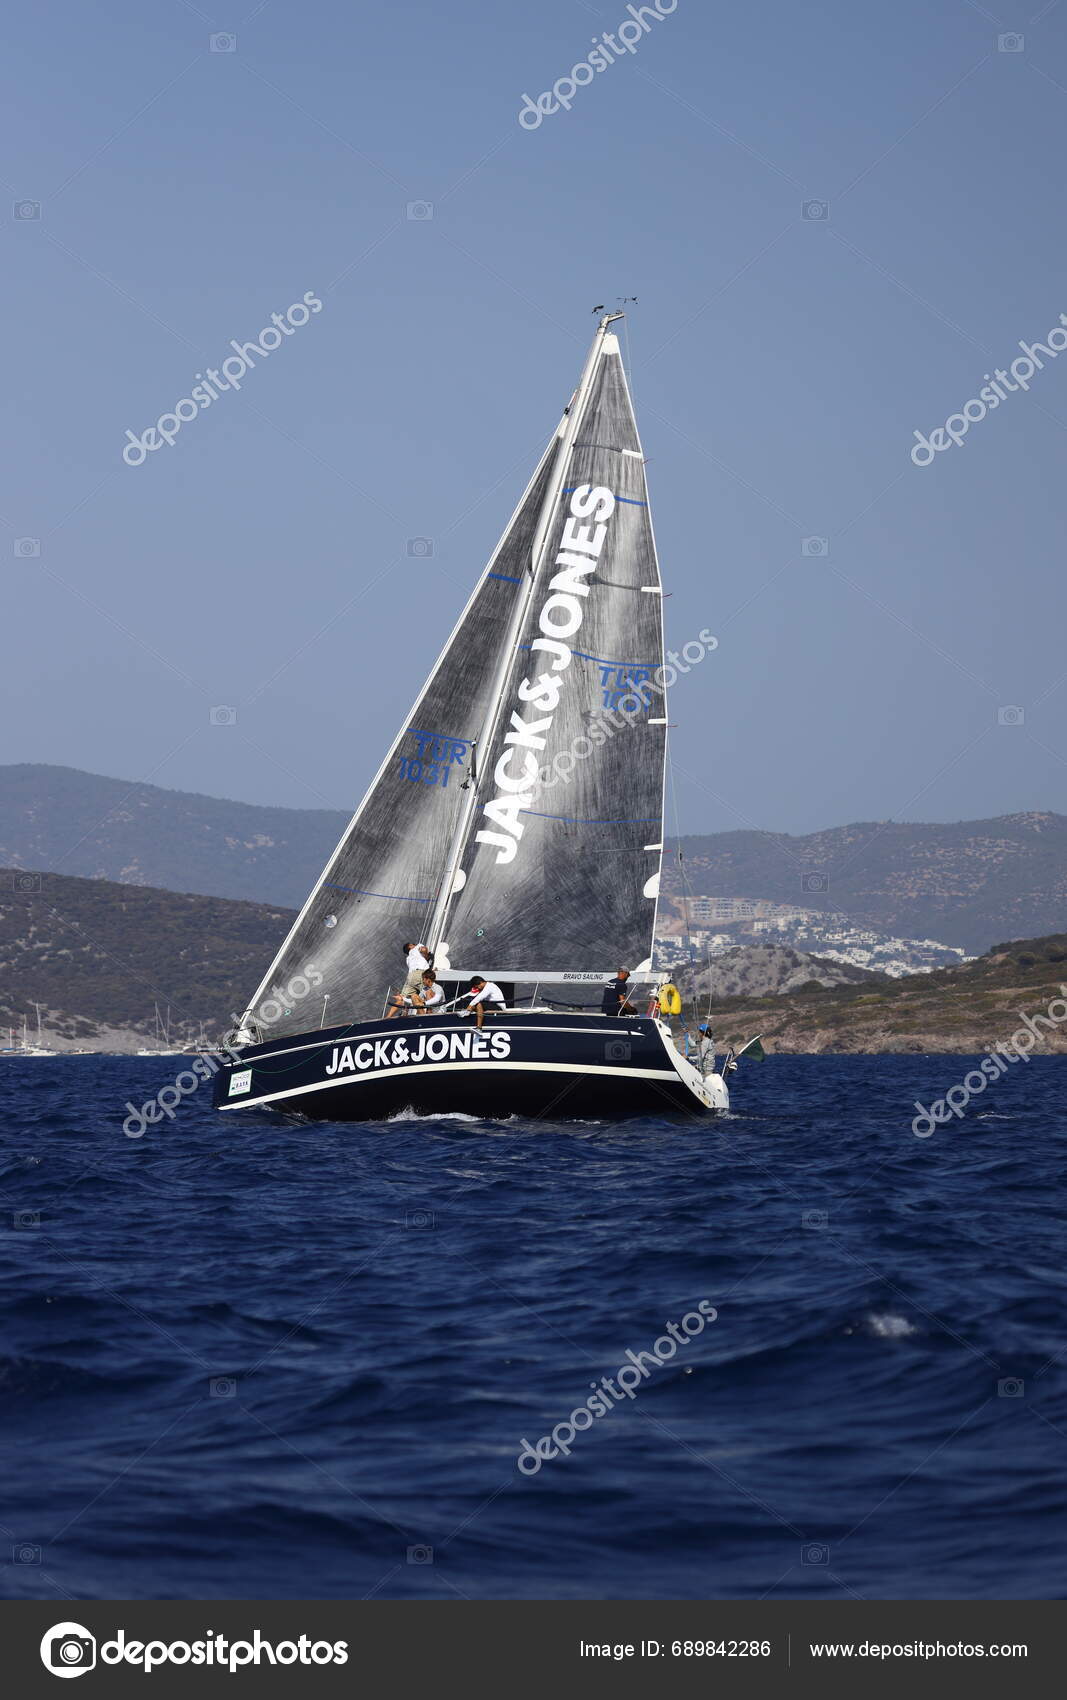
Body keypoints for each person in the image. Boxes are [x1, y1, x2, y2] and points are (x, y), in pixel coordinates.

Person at [386, 941, 431, 1018]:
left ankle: (387, 1017)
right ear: (410, 946)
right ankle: (429, 1014)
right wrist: (427, 955)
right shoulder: (417, 947)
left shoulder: (408, 958)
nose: (415, 944)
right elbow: (423, 949)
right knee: (428, 991)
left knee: (402, 998)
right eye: (414, 944)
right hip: (421, 973)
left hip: (410, 976)